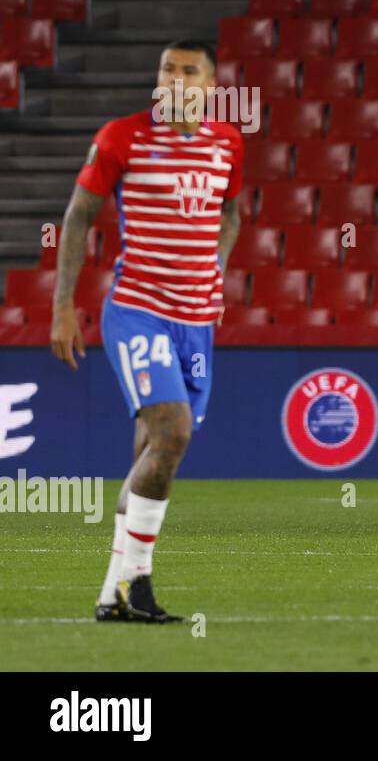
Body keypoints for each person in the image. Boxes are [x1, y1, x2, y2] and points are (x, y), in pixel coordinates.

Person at [49, 40, 244, 623]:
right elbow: (79, 214)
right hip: (138, 309)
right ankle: (129, 587)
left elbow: (230, 214)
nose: (176, 78)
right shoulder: (122, 136)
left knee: (157, 455)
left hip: (195, 321)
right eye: (168, 68)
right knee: (173, 434)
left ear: (211, 86)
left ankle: (121, 591)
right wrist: (63, 306)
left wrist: (218, 271)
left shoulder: (228, 142)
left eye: (189, 71)